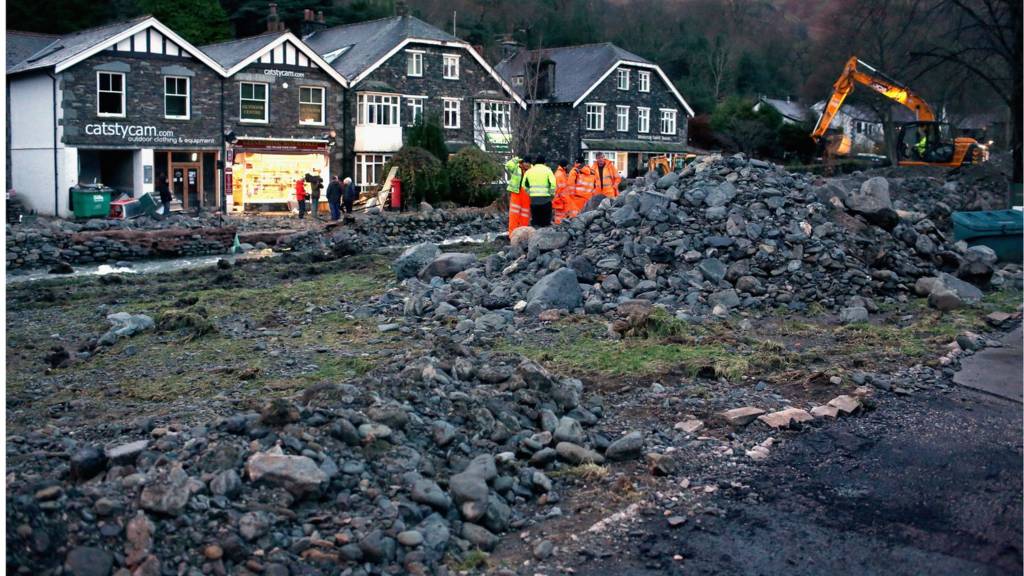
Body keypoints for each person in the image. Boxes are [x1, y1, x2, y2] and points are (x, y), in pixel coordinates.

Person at [523, 154, 557, 228]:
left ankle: (535, 236)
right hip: (545, 200)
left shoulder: (529, 171)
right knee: (546, 222)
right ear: (544, 163)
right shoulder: (548, 170)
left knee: (536, 221)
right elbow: (553, 184)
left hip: (533, 200)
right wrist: (551, 194)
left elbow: (524, 185)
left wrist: (530, 193)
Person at [505, 155, 530, 235]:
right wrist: (516, 159)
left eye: (529, 163)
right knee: (514, 215)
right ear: (523, 162)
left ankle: (522, 234)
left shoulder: (531, 170)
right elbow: (508, 165)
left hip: (526, 194)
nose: (527, 164)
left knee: (525, 215)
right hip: (516, 193)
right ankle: (512, 234)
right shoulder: (516, 167)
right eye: (526, 162)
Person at [552, 159, 569, 224]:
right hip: (560, 201)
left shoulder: (559, 173)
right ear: (565, 166)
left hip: (558, 200)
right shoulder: (560, 175)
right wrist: (566, 201)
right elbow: (561, 190)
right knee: (560, 218)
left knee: (559, 217)